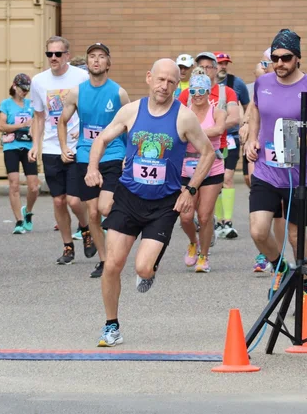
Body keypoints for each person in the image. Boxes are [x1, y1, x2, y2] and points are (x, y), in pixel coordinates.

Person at [86, 59, 215, 347]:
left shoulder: (184, 117)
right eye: (160, 79)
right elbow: (102, 139)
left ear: (176, 85)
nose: (164, 86)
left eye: (170, 82)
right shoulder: (131, 111)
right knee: (112, 265)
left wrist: (190, 190)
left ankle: (149, 270)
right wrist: (92, 167)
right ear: (149, 78)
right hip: (128, 197)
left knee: (143, 269)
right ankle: (111, 326)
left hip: (163, 204)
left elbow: (208, 152)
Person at [245, 29, 307, 293]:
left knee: (296, 236)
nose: (279, 63)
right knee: (258, 231)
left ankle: (305, 285)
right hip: (266, 170)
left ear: (297, 58)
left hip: (299, 175)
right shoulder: (263, 83)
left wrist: (300, 140)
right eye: (274, 58)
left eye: (285, 58)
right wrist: (252, 138)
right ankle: (282, 269)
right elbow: (256, 110)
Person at [58, 42, 130, 279]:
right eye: (92, 56)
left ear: (108, 63)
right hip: (86, 156)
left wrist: (129, 156)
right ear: (87, 62)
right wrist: (64, 147)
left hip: (113, 154)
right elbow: (62, 121)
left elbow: (131, 125)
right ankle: (105, 260)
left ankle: (118, 240)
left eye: (101, 56)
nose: (96, 60)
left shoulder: (119, 93)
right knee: (92, 215)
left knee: (105, 207)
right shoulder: (77, 92)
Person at [28, 36, 91, 263]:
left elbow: (90, 108)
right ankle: (67, 246)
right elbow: (39, 116)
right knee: (58, 201)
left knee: (74, 200)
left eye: (57, 54)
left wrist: (82, 130)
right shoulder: (39, 81)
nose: (53, 58)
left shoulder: (81, 77)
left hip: (75, 145)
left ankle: (86, 229)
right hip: (51, 147)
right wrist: (35, 144)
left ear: (67, 55)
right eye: (49, 54)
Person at [178, 52, 239, 238]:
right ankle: (207, 224)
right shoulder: (187, 94)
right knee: (194, 204)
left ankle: (222, 221)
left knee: (224, 182)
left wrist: (199, 131)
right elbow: (177, 120)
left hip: (218, 147)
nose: (204, 70)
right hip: (189, 155)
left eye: (208, 67)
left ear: (215, 68)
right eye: (201, 67)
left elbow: (234, 118)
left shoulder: (226, 92)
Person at [177, 70, 226, 273]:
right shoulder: (183, 111)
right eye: (193, 91)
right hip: (186, 167)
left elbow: (218, 130)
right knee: (185, 216)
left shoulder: (217, 111)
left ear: (208, 92)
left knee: (205, 216)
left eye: (201, 90)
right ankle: (193, 242)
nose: (197, 95)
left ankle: (204, 256)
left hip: (211, 167)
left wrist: (192, 132)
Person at [215, 52, 251, 243]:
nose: (223, 66)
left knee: (227, 178)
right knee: (214, 181)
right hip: (212, 138)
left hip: (231, 137)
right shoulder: (207, 85)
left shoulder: (236, 83)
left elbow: (248, 105)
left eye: (225, 63)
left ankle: (227, 221)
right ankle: (217, 220)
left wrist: (245, 123)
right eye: (220, 63)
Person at [0, 73, 39, 234]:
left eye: (27, 90)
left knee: (33, 186)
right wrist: (22, 125)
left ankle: (27, 211)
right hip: (11, 146)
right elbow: (2, 126)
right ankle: (19, 221)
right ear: (15, 86)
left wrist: (33, 128)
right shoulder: (6, 104)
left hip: (28, 147)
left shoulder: (31, 104)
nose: (24, 92)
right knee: (14, 183)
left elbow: (38, 123)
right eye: (22, 89)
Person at [240, 48, 273, 197]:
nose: (263, 68)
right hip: (259, 140)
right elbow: (253, 106)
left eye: (265, 64)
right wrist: (246, 124)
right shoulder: (262, 86)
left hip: (278, 142)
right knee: (254, 181)